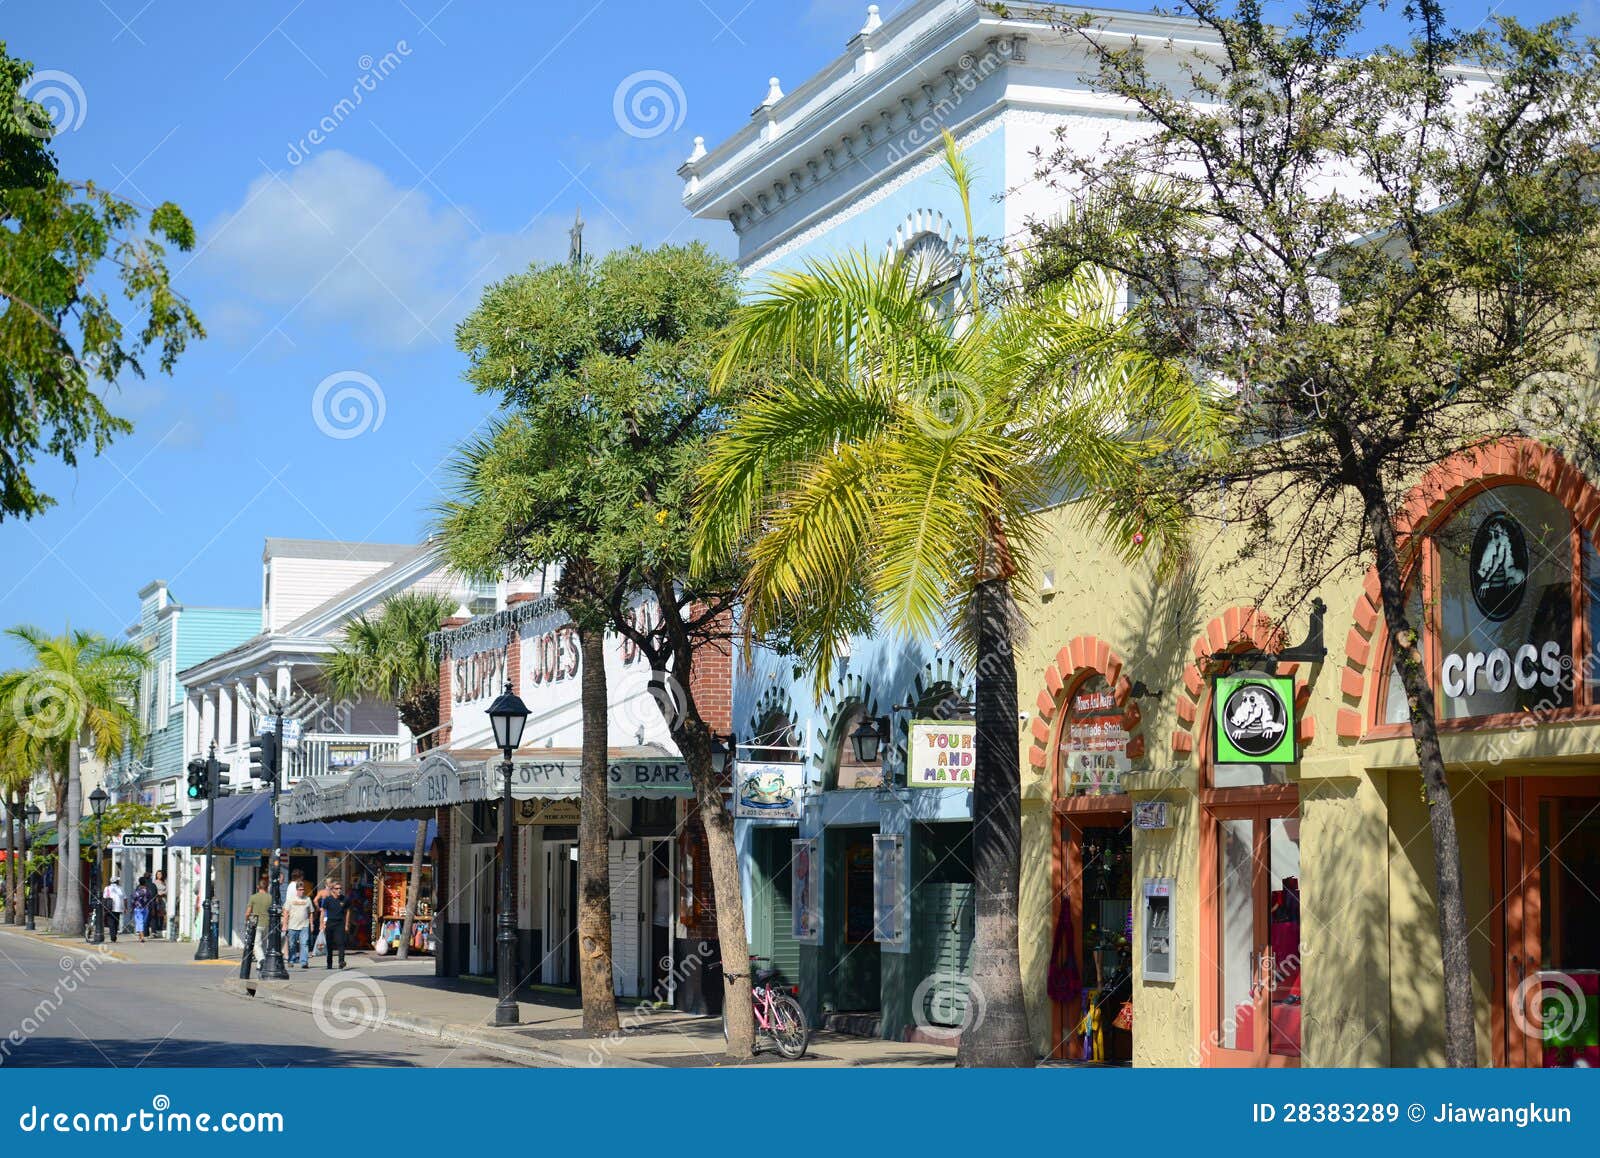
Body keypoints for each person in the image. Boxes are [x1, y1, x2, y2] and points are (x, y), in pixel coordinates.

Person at [240, 875, 271, 980]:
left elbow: (248, 912)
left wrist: (246, 920)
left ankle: (261, 960)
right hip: (267, 923)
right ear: (267, 887)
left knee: (256, 945)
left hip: (256, 924)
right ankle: (260, 965)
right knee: (264, 945)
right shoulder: (270, 897)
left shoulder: (253, 897)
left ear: (258, 887)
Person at [318, 880, 351, 970]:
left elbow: (348, 911)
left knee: (341, 943)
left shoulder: (344, 899)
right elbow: (323, 912)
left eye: (340, 888)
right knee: (329, 944)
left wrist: (347, 924)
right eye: (337, 889)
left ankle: (341, 961)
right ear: (332, 890)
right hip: (330, 923)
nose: (339, 890)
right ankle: (329, 963)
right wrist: (321, 924)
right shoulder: (328, 899)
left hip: (340, 923)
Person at [283, 880, 313, 969]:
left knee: (304, 943)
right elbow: (286, 912)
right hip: (292, 926)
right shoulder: (290, 899)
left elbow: (311, 912)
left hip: (304, 925)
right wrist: (285, 924)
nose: (302, 891)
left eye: (303, 889)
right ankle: (291, 960)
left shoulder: (307, 899)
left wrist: (311, 924)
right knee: (292, 944)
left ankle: (304, 962)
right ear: (296, 890)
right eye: (300, 890)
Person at [129, 875, 155, 943]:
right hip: (146, 908)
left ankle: (141, 936)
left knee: (139, 922)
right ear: (145, 882)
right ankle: (141, 936)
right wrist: (152, 909)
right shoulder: (148, 891)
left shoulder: (137, 891)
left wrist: (131, 908)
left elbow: (133, 900)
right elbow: (151, 901)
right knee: (142, 922)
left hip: (138, 908)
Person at [151, 870, 168, 937]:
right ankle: (157, 928)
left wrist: (164, 893)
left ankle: (161, 927)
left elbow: (167, 890)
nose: (159, 875)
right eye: (157, 874)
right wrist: (158, 895)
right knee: (158, 913)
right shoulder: (155, 882)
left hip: (164, 899)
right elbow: (154, 891)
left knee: (163, 913)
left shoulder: (165, 882)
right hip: (158, 899)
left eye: (160, 874)